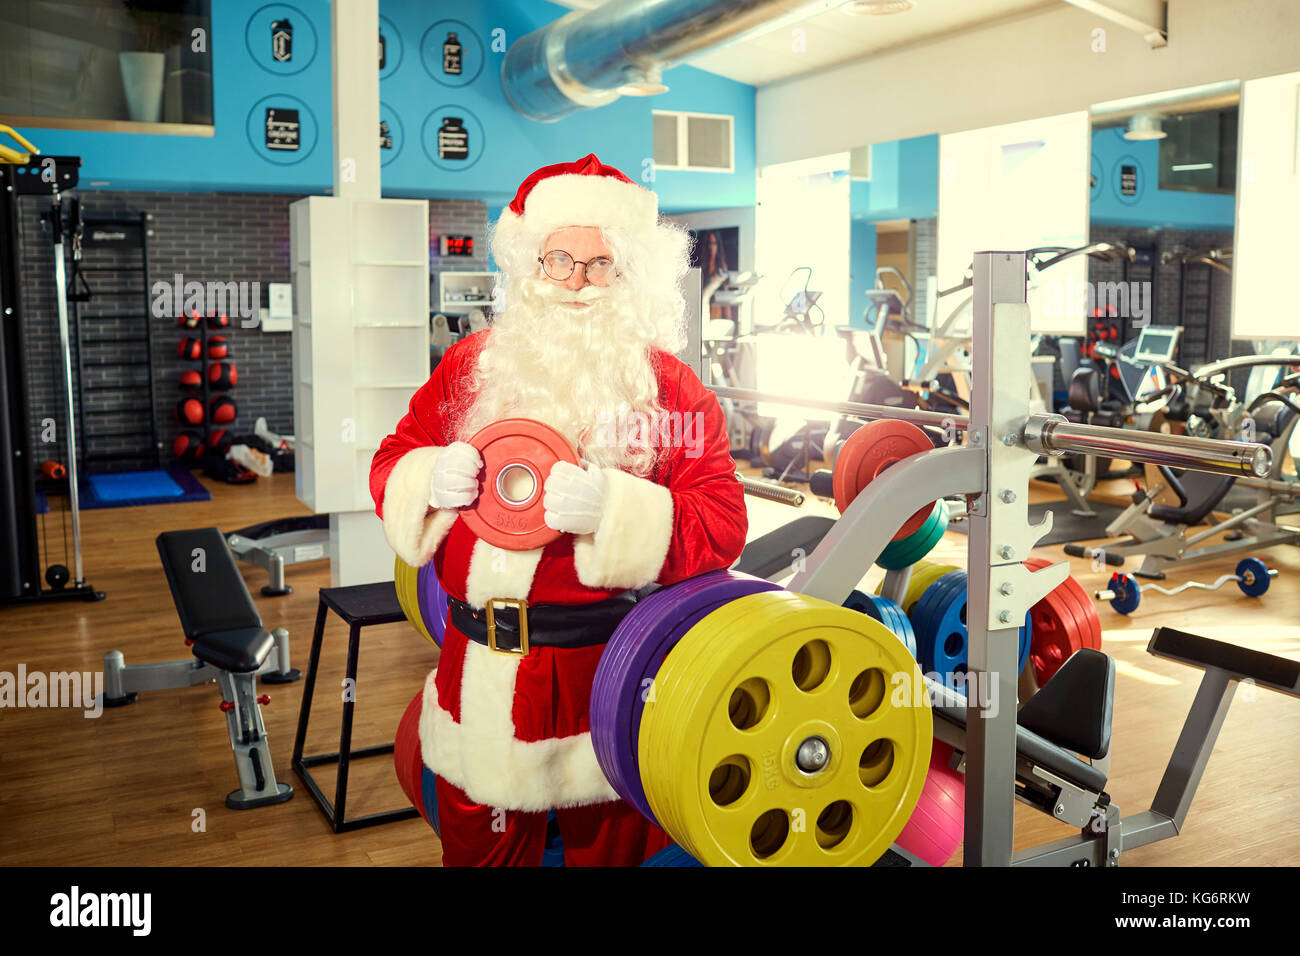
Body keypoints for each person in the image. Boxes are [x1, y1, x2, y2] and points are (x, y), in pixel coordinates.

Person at [369, 153, 748, 866]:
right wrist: (429, 477)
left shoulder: (671, 390)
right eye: (559, 260)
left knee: (607, 854)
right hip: (474, 667)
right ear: (528, 265)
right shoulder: (472, 364)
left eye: (601, 263)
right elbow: (394, 455)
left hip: (602, 679)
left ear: (631, 273)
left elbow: (722, 518)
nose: (576, 281)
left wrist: (615, 508)